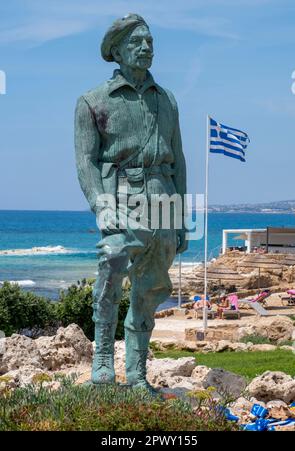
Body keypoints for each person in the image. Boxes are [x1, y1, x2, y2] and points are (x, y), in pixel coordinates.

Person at [74, 14, 188, 394]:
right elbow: (86, 162)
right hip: (121, 196)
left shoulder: (167, 99)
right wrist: (100, 205)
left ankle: (137, 372)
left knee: (151, 288)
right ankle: (103, 358)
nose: (146, 48)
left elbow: (179, 159)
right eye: (137, 42)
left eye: (150, 42)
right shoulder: (93, 101)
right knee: (110, 272)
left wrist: (182, 217)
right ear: (117, 50)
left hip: (164, 195)